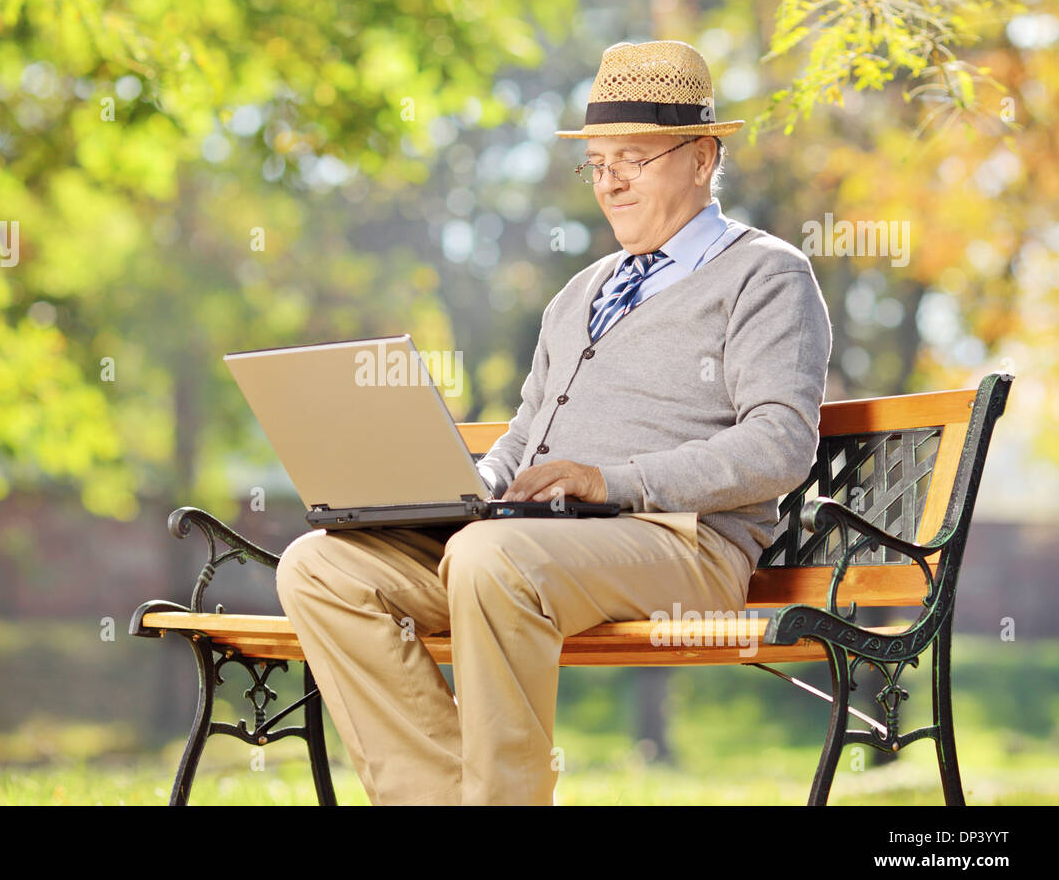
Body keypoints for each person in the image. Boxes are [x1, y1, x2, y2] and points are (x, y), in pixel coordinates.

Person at [275, 40, 833, 805]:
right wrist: (467, 488)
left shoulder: (767, 275)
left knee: (493, 559)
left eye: (632, 159)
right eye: (598, 164)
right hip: (520, 546)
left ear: (702, 158)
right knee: (319, 565)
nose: (609, 184)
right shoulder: (580, 293)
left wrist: (612, 483)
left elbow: (780, 443)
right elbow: (526, 430)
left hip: (682, 548)